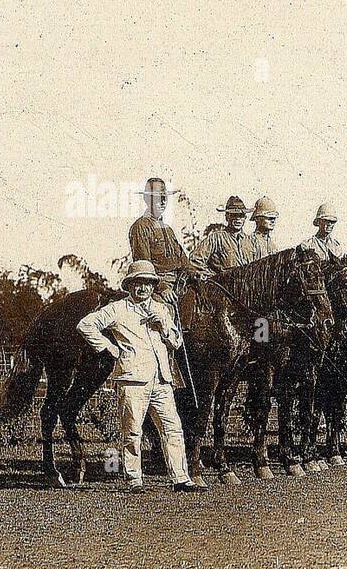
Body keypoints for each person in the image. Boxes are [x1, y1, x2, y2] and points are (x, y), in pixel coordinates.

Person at [75, 260, 207, 493]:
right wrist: (110, 348)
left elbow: (176, 342)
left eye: (147, 283)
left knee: (173, 428)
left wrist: (163, 328)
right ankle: (134, 479)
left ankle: (181, 478)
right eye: (138, 283)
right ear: (130, 285)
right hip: (132, 379)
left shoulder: (162, 309)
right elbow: (86, 325)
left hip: (163, 379)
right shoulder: (118, 309)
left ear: (154, 285)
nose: (143, 288)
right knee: (132, 431)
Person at [127, 177, 196, 303]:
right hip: (156, 287)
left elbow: (183, 260)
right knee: (164, 314)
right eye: (158, 198)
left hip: (180, 283)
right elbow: (144, 267)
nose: (163, 202)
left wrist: (194, 274)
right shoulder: (140, 226)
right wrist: (163, 287)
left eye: (165, 198)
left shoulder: (168, 229)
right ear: (147, 200)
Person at [190, 196, 249, 278]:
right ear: (227, 217)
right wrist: (213, 277)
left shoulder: (250, 241)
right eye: (234, 215)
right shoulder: (216, 238)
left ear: (245, 218)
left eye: (241, 215)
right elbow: (195, 259)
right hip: (225, 286)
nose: (238, 219)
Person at [243, 196, 279, 260]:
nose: (273, 221)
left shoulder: (272, 245)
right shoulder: (249, 241)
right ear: (258, 219)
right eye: (269, 218)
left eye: (274, 218)